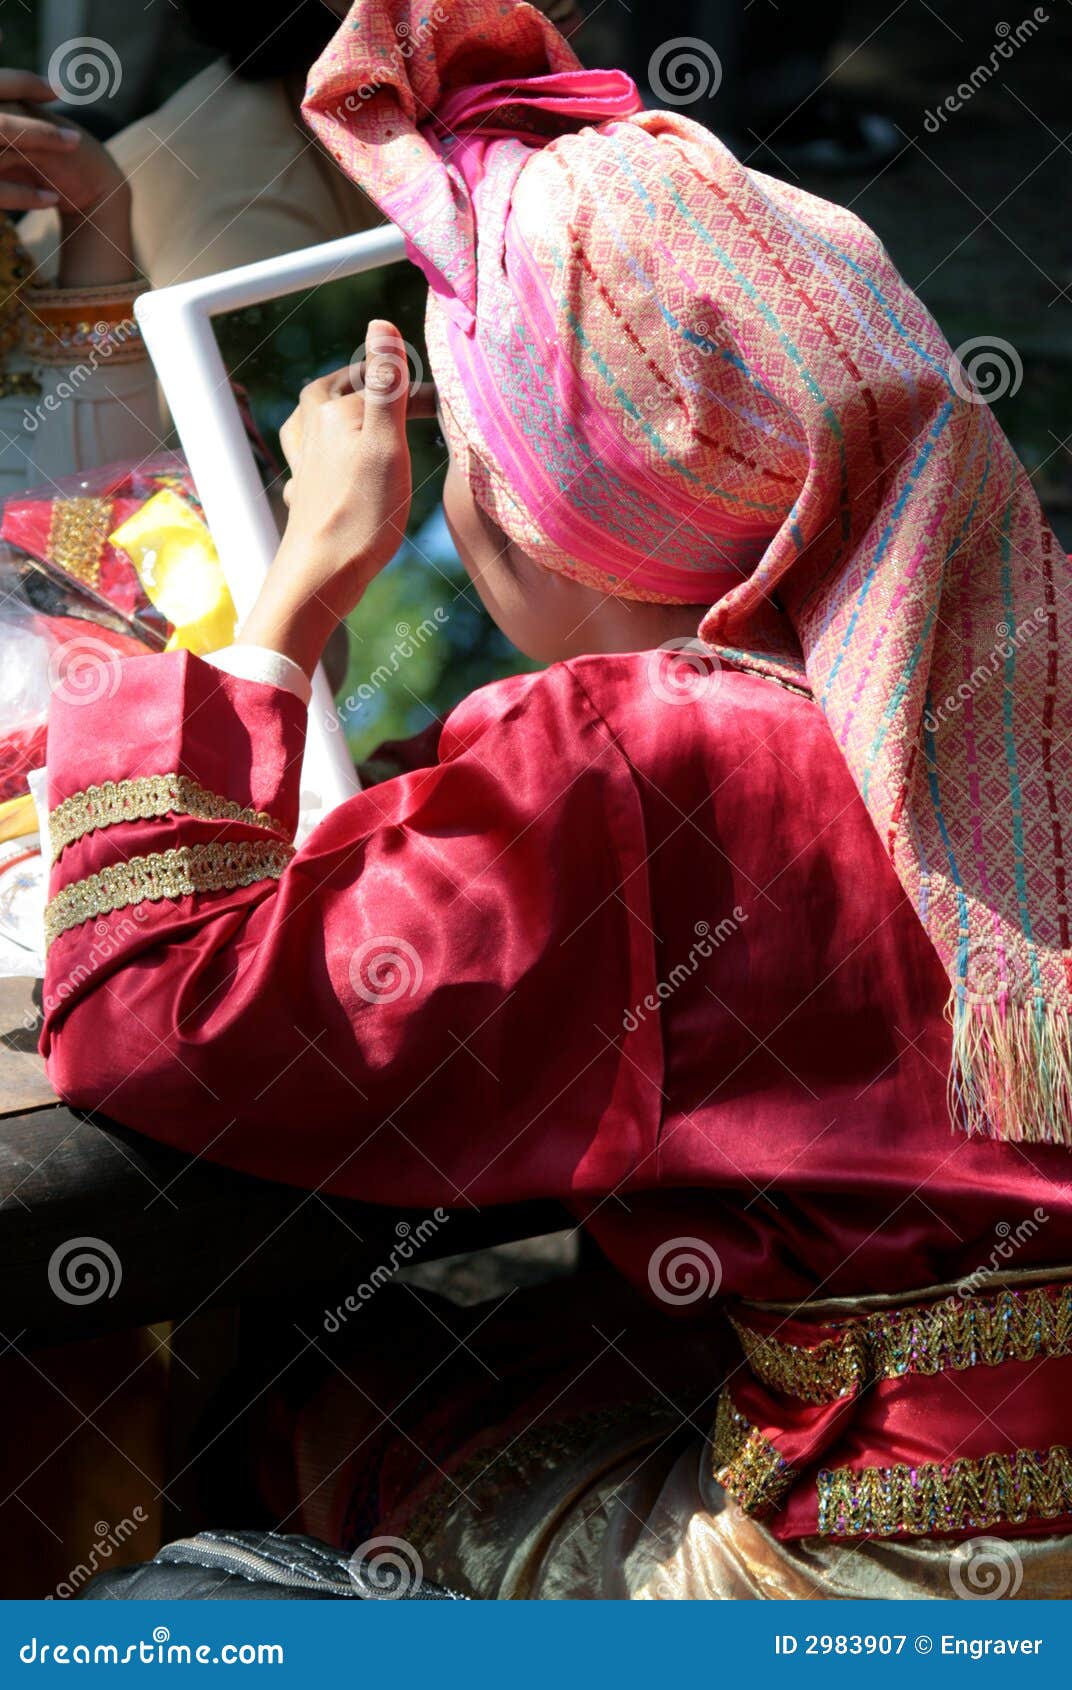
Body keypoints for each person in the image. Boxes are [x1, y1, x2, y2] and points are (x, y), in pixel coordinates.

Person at [41, 0, 1072, 1600]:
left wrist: (297, 600)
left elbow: (154, 1010)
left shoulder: (655, 755)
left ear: (539, 495)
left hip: (889, 1578)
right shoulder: (1009, 652)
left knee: (292, 1437)